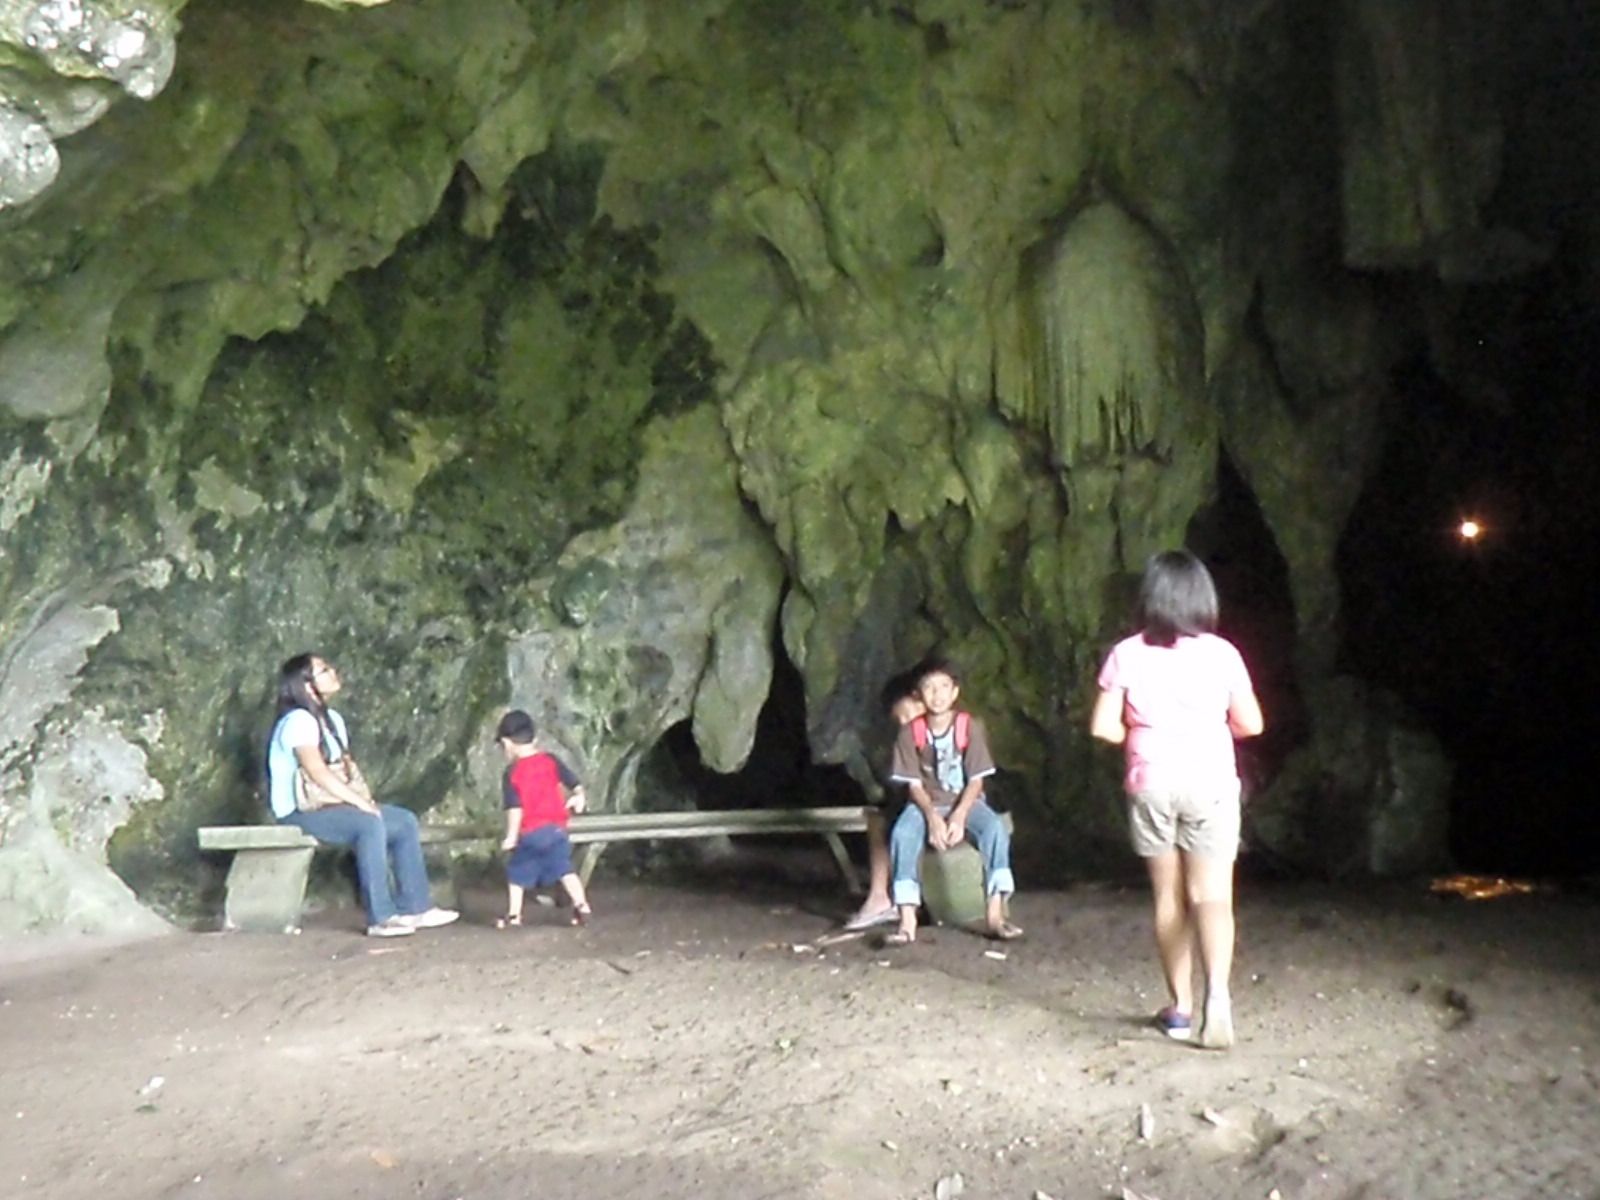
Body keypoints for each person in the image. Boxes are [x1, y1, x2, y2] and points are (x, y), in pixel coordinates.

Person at [1090, 550, 1264, 1050]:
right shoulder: (1223, 653)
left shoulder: (1126, 653)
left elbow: (1103, 727)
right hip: (1209, 780)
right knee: (1211, 896)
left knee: (1169, 897)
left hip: (1152, 782)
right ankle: (1219, 1000)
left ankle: (1180, 1009)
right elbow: (1251, 724)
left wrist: (1145, 733)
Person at [266, 654, 460, 938]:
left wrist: (362, 800)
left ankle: (415, 907)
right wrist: (359, 804)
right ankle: (381, 917)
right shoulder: (298, 721)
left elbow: (342, 768)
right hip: (300, 812)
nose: (334, 672)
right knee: (368, 824)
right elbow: (316, 771)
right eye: (324, 670)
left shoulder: (332, 720)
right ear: (306, 686)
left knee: (404, 821)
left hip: (333, 805)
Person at [883, 659, 1020, 945]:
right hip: (926, 804)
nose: (938, 694)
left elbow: (976, 781)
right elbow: (914, 785)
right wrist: (933, 818)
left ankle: (995, 916)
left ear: (955, 692)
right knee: (902, 834)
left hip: (966, 802)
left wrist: (958, 817)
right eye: (929, 687)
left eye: (944, 686)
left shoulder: (969, 727)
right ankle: (906, 922)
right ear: (919, 695)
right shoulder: (911, 732)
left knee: (994, 829)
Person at [494, 709, 592, 928]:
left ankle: (514, 915)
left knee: (516, 872)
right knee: (564, 869)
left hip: (531, 833)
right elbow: (574, 783)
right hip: (557, 830)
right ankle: (582, 905)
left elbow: (515, 808)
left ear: (507, 743)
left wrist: (510, 837)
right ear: (534, 738)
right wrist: (579, 797)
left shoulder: (512, 772)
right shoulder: (551, 760)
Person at [843, 684, 926, 931]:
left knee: (890, 818)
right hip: (922, 804)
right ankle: (883, 896)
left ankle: (888, 897)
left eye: (909, 715)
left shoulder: (954, 728)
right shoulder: (909, 739)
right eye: (899, 720)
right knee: (880, 813)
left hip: (948, 806)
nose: (905, 723)